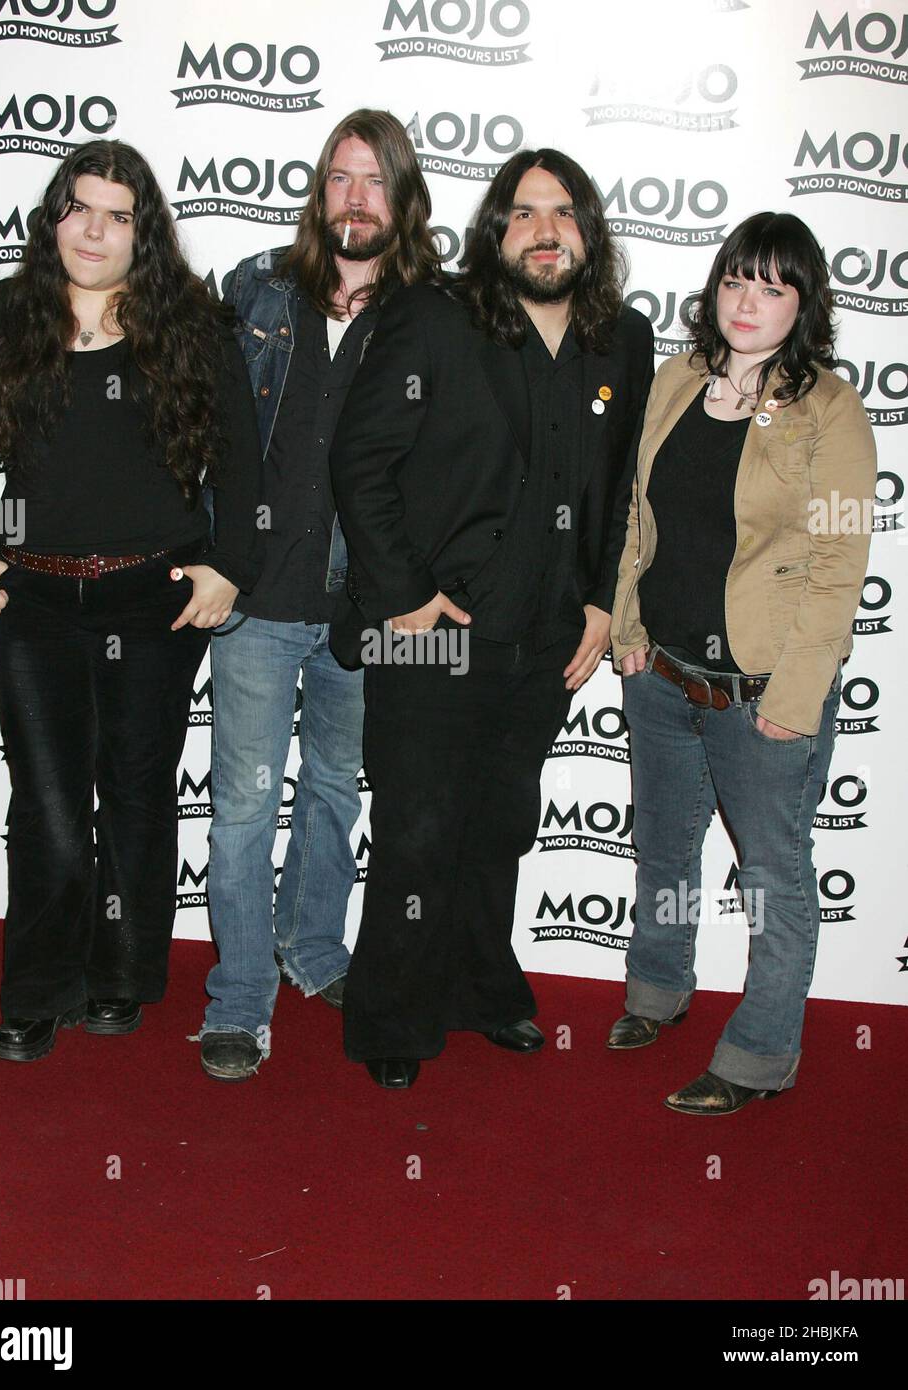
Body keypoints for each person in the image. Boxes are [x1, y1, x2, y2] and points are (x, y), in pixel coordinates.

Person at [329, 148, 654, 1088]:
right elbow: (361, 462)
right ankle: (391, 1018)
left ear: (587, 232)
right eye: (523, 213)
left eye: (563, 214)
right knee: (417, 830)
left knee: (499, 826)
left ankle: (482, 988)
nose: (544, 231)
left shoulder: (619, 341)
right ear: (494, 231)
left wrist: (600, 598)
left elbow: (619, 485)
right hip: (430, 633)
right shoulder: (433, 319)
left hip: (545, 639)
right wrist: (401, 596)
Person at [0, 139, 262, 1063]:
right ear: (54, 217)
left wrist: (228, 565)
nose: (95, 228)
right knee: (43, 801)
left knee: (133, 793)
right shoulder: (4, 313)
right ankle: (38, 987)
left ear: (142, 233)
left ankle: (120, 976)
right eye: (80, 208)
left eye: (118, 215)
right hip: (33, 597)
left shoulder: (190, 324)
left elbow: (240, 458)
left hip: (151, 598)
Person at [609, 211, 876, 1114]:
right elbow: (635, 520)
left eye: (771, 288)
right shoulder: (677, 378)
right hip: (663, 676)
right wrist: (627, 634)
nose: (747, 303)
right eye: (735, 281)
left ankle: (761, 1055)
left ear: (801, 305)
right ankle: (656, 991)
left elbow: (840, 564)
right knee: (662, 848)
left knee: (770, 873)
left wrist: (798, 697)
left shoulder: (829, 409)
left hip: (763, 695)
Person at [198, 110, 441, 1083]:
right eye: (340, 177)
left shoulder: (429, 316)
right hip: (257, 601)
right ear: (319, 189)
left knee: (336, 796)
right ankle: (238, 1000)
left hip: (362, 612)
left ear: (404, 197)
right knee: (244, 810)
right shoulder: (255, 288)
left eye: (374, 181)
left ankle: (316, 954)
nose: (355, 197)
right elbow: (212, 438)